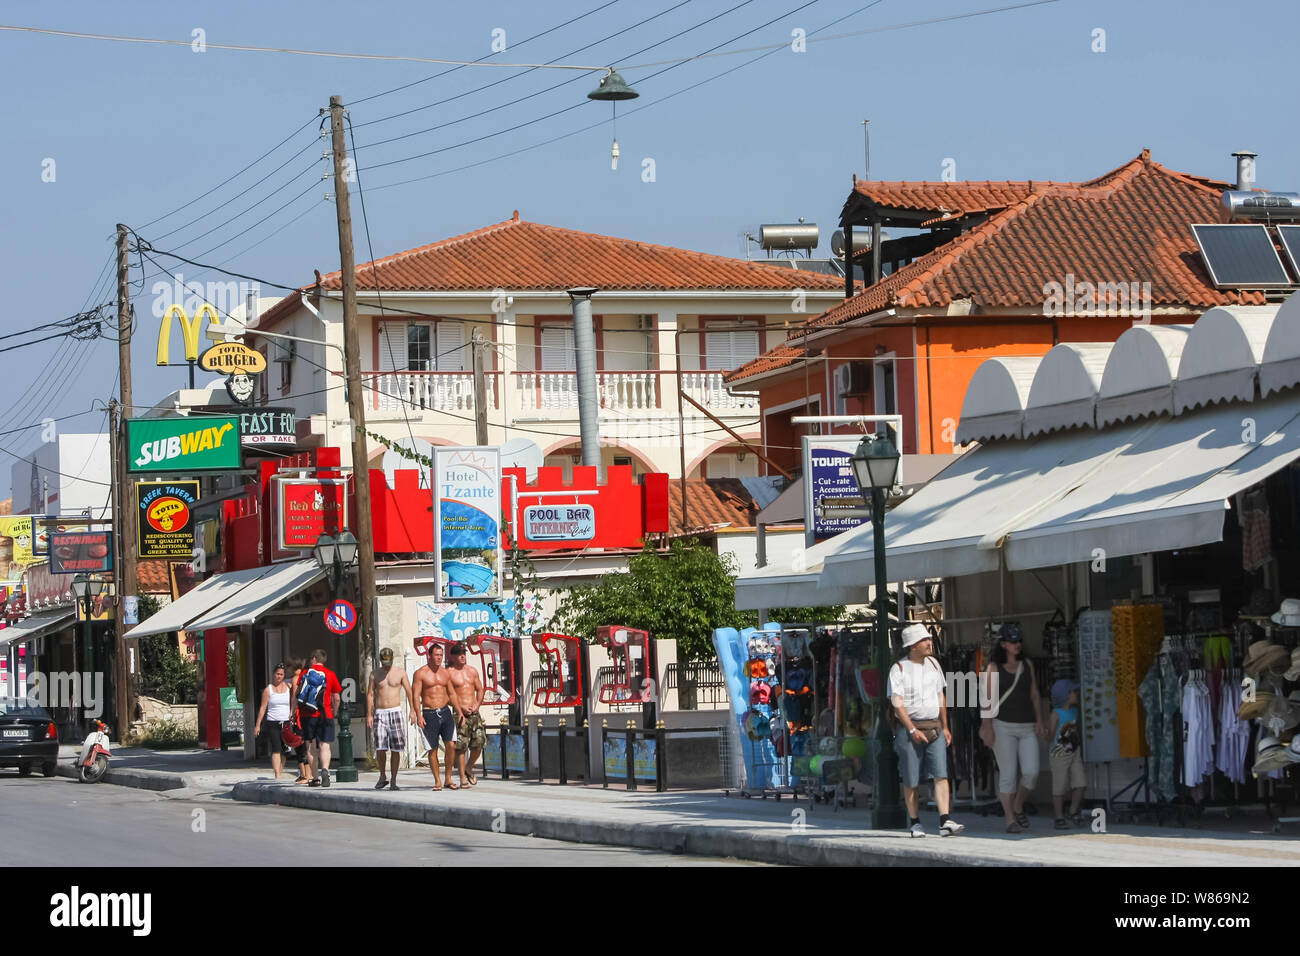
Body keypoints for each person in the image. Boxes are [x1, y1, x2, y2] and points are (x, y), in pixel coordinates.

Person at [889, 624, 964, 837]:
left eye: (928, 639)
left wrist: (946, 726)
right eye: (924, 640)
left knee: (941, 773)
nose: (929, 643)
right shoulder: (899, 669)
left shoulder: (933, 664)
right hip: (909, 729)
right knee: (911, 778)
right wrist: (912, 730)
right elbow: (897, 703)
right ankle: (915, 822)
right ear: (912, 646)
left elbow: (940, 695)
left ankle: (945, 819)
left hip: (934, 726)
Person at [980, 622, 1048, 833]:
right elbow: (987, 700)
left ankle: (1018, 805)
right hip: (1002, 726)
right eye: (1012, 641)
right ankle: (1010, 818)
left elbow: (1034, 694)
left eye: (1018, 640)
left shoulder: (1027, 664)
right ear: (1003, 645)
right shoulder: (992, 668)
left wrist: (1039, 720)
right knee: (1008, 774)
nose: (1017, 644)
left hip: (1027, 726)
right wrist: (987, 728)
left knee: (1031, 772)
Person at [411, 643, 460, 790]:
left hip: (445, 712)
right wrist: (418, 715)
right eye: (436, 655)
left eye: (441, 655)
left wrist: (459, 711)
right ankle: (437, 780)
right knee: (432, 749)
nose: (439, 658)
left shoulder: (445, 673)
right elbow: (415, 695)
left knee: (451, 744)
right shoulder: (420, 673)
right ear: (429, 656)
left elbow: (451, 693)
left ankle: (448, 778)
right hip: (429, 713)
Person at [367, 647, 417, 791]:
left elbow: (409, 691)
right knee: (380, 747)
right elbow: (370, 694)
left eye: (388, 661)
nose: (386, 664)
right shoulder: (375, 674)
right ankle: (382, 776)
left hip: (395, 711)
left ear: (392, 658)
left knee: (396, 748)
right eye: (384, 661)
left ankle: (394, 780)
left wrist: (412, 711)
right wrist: (369, 714)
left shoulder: (400, 673)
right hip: (380, 713)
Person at [298, 648, 343, 788]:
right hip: (325, 714)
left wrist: (294, 711)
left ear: (313, 659)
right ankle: (325, 770)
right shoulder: (330, 674)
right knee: (325, 745)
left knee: (310, 746)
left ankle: (315, 778)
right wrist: (334, 712)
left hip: (308, 714)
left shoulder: (305, 673)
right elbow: (336, 697)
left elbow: (297, 694)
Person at [1048, 679, 1086, 829]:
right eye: (1073, 692)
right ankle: (1058, 817)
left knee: (1081, 783)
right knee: (1059, 787)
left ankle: (1072, 811)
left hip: (1074, 751)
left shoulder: (1075, 711)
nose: (1076, 694)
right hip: (1059, 754)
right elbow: (1050, 735)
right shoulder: (1055, 714)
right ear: (1066, 695)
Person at [448, 642, 486, 788]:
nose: (462, 656)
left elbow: (480, 689)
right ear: (453, 656)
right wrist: (460, 708)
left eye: (464, 653)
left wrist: (477, 705)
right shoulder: (449, 673)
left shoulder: (472, 671)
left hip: (474, 712)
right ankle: (463, 777)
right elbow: (448, 695)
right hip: (460, 714)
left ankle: (469, 767)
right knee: (461, 746)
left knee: (479, 743)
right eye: (459, 653)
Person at [254, 663, 293, 780]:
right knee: (276, 748)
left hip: (286, 722)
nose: (279, 677)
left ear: (284, 675)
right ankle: (277, 774)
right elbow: (262, 708)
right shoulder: (268, 689)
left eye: (281, 674)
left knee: (285, 750)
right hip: (272, 722)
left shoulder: (289, 687)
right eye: (277, 674)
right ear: (273, 674)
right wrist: (258, 725)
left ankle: (280, 770)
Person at [288, 659, 313, 784]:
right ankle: (308, 774)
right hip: (308, 714)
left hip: (298, 715)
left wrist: (292, 713)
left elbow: (294, 698)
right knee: (305, 744)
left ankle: (305, 774)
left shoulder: (296, 678)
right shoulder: (308, 677)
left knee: (299, 744)